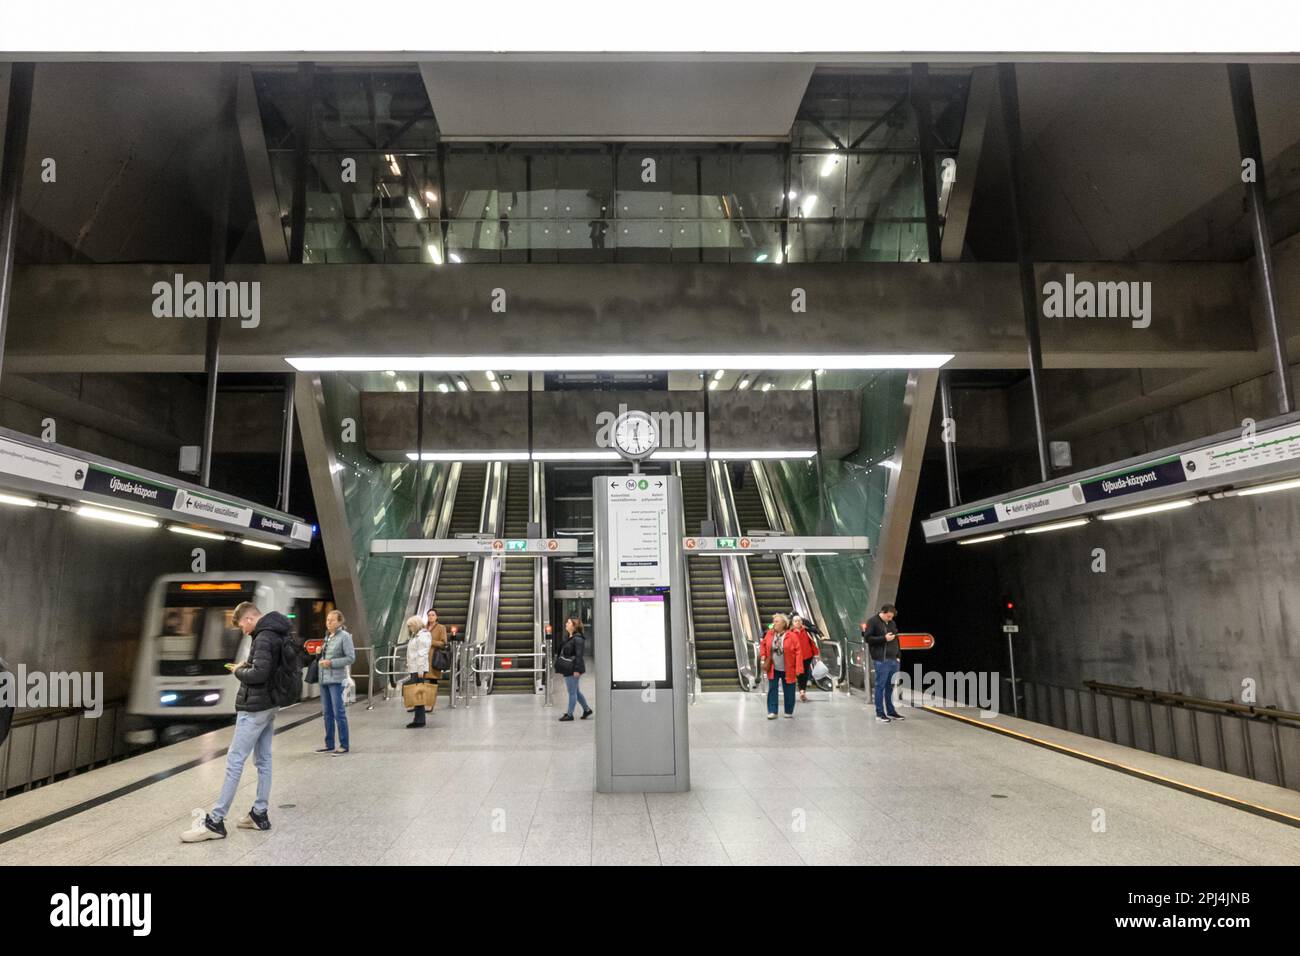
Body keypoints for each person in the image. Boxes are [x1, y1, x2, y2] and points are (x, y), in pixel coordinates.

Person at [182, 602, 292, 841]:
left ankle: (215, 822)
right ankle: (259, 814)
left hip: (254, 708)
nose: (243, 630)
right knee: (264, 760)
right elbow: (267, 669)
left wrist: (239, 671)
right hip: (269, 705)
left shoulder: (262, 637)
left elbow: (259, 674)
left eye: (242, 624)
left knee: (235, 760)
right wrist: (247, 666)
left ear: (250, 618)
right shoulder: (277, 632)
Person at [315, 609, 356, 755]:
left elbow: (351, 658)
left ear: (340, 622)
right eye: (327, 620)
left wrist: (331, 662)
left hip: (336, 679)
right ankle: (329, 744)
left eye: (332, 620)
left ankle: (344, 745)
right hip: (324, 678)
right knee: (327, 713)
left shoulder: (344, 636)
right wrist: (320, 652)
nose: (328, 623)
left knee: (339, 712)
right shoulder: (328, 636)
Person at [404, 613, 448, 728]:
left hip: (418, 669)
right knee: (417, 694)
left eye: (410, 626)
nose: (409, 628)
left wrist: (420, 670)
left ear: (416, 625)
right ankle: (418, 718)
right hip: (414, 668)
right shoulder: (416, 635)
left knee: (418, 694)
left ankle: (419, 720)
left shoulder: (423, 636)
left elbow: (422, 654)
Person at [863, 603, 904, 723]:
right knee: (880, 686)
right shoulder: (872, 621)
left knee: (890, 686)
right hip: (881, 659)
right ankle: (880, 713)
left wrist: (898, 655)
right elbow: (868, 638)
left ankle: (891, 712)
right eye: (889, 616)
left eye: (891, 617)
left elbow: (896, 638)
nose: (890, 619)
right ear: (883, 612)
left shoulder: (892, 623)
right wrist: (884, 638)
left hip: (893, 659)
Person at [759, 612, 805, 719]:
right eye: (774, 621)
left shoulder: (792, 636)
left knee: (789, 689)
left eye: (776, 621)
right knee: (772, 689)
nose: (773, 623)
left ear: (784, 623)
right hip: (773, 667)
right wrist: (763, 655)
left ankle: (788, 711)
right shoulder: (770, 634)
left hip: (788, 667)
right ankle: (772, 711)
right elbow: (763, 644)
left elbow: (798, 652)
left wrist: (799, 668)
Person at [557, 617, 592, 722]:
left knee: (572, 692)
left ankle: (569, 714)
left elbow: (579, 655)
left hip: (573, 668)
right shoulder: (569, 637)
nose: (566, 624)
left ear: (574, 626)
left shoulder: (578, 639)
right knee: (575, 691)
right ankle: (587, 709)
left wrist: (576, 670)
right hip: (568, 667)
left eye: (568, 623)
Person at [792, 614, 819, 703]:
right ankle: (802, 691)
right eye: (796, 621)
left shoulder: (806, 630)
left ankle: (802, 691)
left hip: (808, 655)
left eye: (799, 621)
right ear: (793, 623)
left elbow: (812, 640)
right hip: (797, 657)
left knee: (805, 673)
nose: (798, 622)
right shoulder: (791, 632)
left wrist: (815, 653)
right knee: (800, 673)